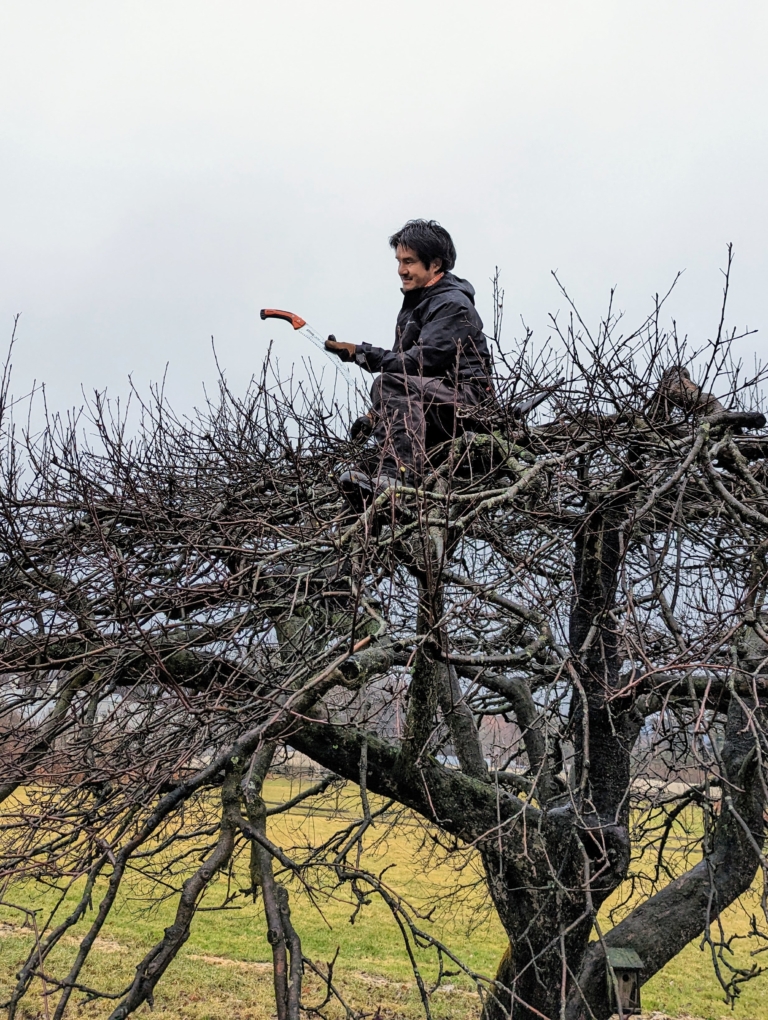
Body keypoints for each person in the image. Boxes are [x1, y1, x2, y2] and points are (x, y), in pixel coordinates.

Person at [324, 219, 493, 504]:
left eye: (410, 261)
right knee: (358, 473)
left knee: (389, 384)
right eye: (399, 261)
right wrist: (372, 418)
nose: (402, 270)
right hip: (436, 405)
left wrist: (359, 352)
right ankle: (375, 513)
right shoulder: (416, 305)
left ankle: (398, 481)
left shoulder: (452, 304)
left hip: (469, 404)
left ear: (436, 264)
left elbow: (415, 366)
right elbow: (406, 382)